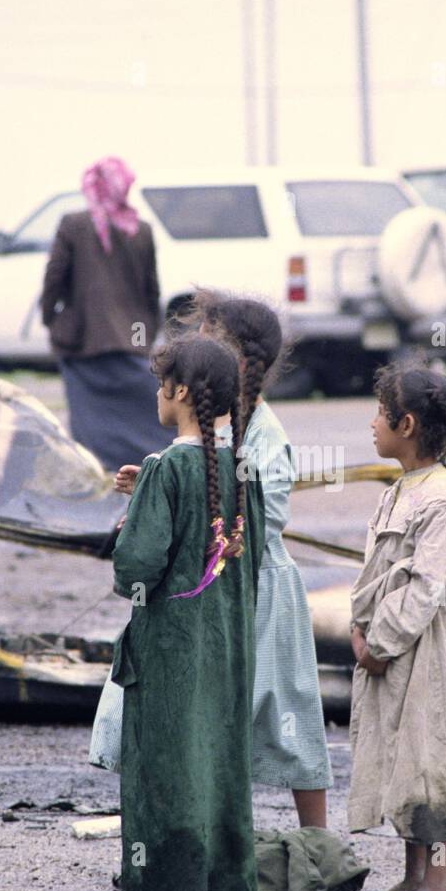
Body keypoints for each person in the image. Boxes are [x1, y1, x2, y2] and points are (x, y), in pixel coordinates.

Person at [115, 291, 334, 827]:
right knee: (199, 715)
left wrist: (164, 517)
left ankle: (317, 849)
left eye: (205, 342)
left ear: (232, 363)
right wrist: (152, 495)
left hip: (255, 590)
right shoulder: (210, 427)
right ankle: (200, 843)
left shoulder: (263, 434)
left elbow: (260, 519)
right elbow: (203, 496)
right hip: (210, 586)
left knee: (284, 712)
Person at [112, 332, 264, 891]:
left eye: (160, 383)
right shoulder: (240, 468)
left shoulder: (167, 466)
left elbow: (136, 568)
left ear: (178, 392)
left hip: (171, 650)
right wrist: (145, 494)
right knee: (222, 762)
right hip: (227, 646)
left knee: (168, 767)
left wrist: (134, 518)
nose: (156, 393)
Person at [348, 359, 446, 891]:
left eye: (380, 414)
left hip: (414, 647)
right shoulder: (401, 489)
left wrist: (378, 644)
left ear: (405, 425)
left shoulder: (441, 502)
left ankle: (439, 888)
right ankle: (411, 877)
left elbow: (427, 588)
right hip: (385, 647)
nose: (371, 424)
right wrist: (363, 632)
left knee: (428, 759)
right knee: (400, 759)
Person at [40, 156, 170, 469]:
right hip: (131, 337)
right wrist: (145, 335)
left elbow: (54, 278)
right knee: (140, 412)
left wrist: (51, 319)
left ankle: (97, 471)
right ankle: (152, 464)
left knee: (90, 418)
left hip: (82, 340)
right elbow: (151, 290)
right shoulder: (141, 229)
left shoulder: (72, 224)